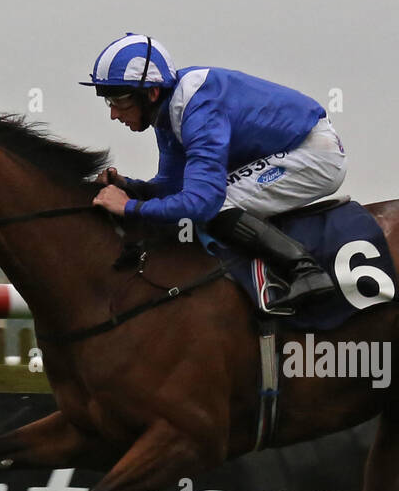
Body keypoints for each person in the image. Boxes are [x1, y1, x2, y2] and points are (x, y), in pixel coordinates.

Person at [85, 33, 344, 311]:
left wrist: (130, 207)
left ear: (151, 93)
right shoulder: (169, 111)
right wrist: (132, 186)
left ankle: (306, 271)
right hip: (294, 146)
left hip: (313, 153)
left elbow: (202, 202)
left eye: (120, 101)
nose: (114, 114)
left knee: (216, 206)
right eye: (108, 102)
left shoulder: (199, 110)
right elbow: (175, 186)